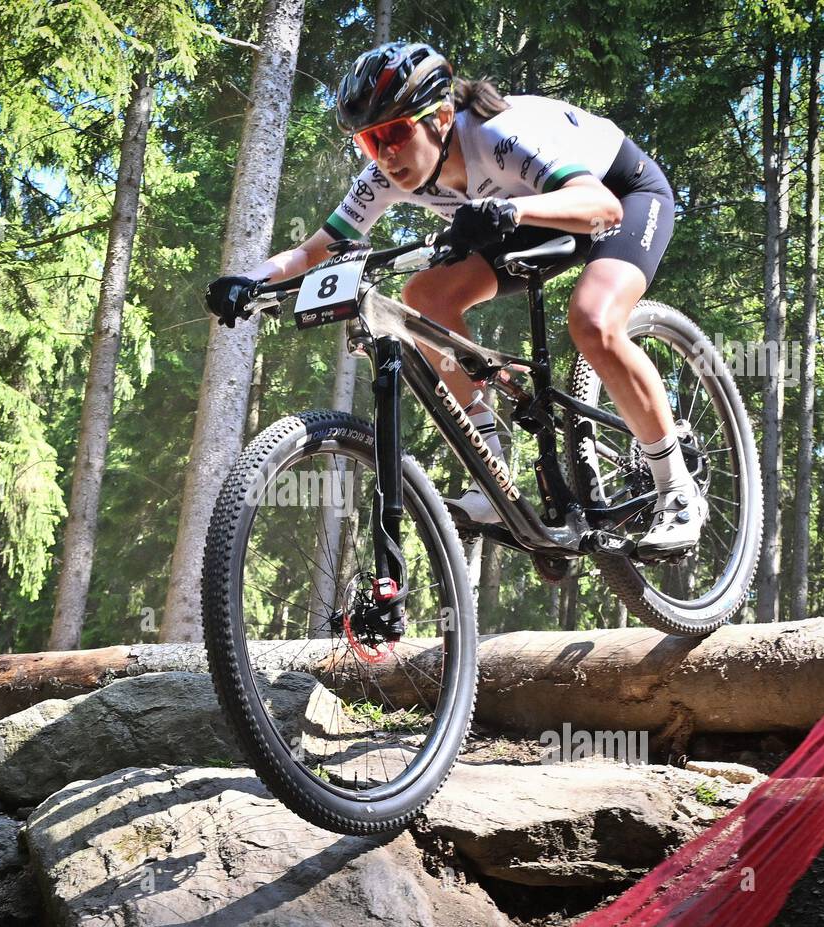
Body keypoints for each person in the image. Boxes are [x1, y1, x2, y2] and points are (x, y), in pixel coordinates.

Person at [205, 41, 706, 557]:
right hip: (518, 214)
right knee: (423, 297)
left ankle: (676, 489)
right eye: (371, 142)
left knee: (592, 321)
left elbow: (602, 208)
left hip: (619, 195)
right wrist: (251, 280)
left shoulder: (497, 136)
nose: (387, 153)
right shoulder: (385, 174)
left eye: (396, 133)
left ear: (442, 117)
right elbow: (313, 249)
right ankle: (491, 466)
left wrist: (510, 213)